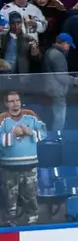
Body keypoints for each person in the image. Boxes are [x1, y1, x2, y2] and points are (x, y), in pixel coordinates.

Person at [0, 89, 41, 226]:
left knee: (31, 198)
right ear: (6, 103)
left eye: (17, 100)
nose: (15, 104)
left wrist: (30, 132)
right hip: (8, 168)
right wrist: (13, 135)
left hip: (30, 166)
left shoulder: (31, 115)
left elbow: (44, 132)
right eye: (11, 101)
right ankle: (9, 225)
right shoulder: (1, 118)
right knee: (9, 200)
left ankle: (33, 223)